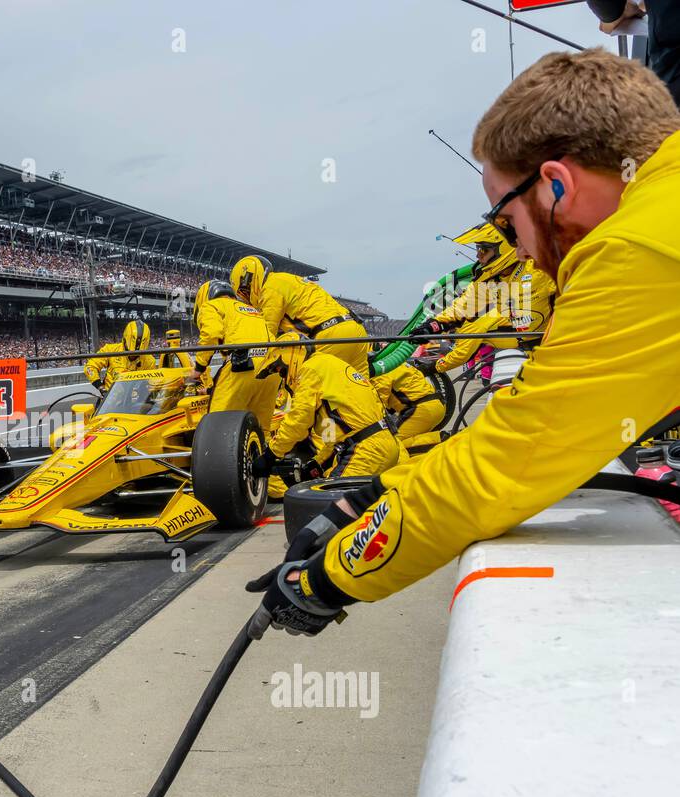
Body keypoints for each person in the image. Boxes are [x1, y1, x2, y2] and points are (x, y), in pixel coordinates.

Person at [246, 49, 680, 638]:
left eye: (504, 222)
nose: (517, 251)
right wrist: (364, 498)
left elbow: (502, 470)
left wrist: (323, 582)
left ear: (555, 185)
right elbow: (515, 435)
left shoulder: (636, 252)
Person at [251, 333, 400, 481]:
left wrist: (270, 455)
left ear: (289, 355)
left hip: (366, 451)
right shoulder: (328, 364)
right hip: (383, 444)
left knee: (329, 502)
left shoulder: (310, 369)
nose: (282, 376)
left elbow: (298, 420)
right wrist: (317, 464)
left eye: (281, 370)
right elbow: (346, 434)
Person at [414, 257, 557, 376]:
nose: (479, 256)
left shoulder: (537, 267)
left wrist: (432, 368)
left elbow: (460, 355)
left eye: (484, 250)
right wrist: (435, 324)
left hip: (550, 346)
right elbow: (463, 304)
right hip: (535, 351)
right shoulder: (488, 283)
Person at [229, 255, 371, 373]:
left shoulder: (270, 288)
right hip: (355, 330)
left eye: (245, 293)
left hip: (330, 336)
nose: (247, 299)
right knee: (361, 388)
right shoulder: (286, 280)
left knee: (305, 385)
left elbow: (266, 335)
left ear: (249, 280)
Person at [185, 279, 280, 422]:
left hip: (242, 366)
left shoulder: (211, 305)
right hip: (271, 371)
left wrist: (198, 369)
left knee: (217, 423)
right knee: (260, 427)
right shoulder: (252, 311)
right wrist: (210, 391)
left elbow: (211, 334)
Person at [372, 362, 447, 457]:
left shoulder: (379, 371)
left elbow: (378, 399)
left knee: (392, 445)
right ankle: (442, 441)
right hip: (437, 404)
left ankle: (444, 441)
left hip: (420, 410)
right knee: (412, 439)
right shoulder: (399, 363)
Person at [83, 319, 157, 396]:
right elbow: (90, 367)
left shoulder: (150, 361)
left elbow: (150, 385)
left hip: (136, 402)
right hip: (109, 398)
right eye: (129, 351)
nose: (133, 356)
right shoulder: (110, 350)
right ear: (124, 340)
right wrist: (100, 387)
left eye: (137, 354)